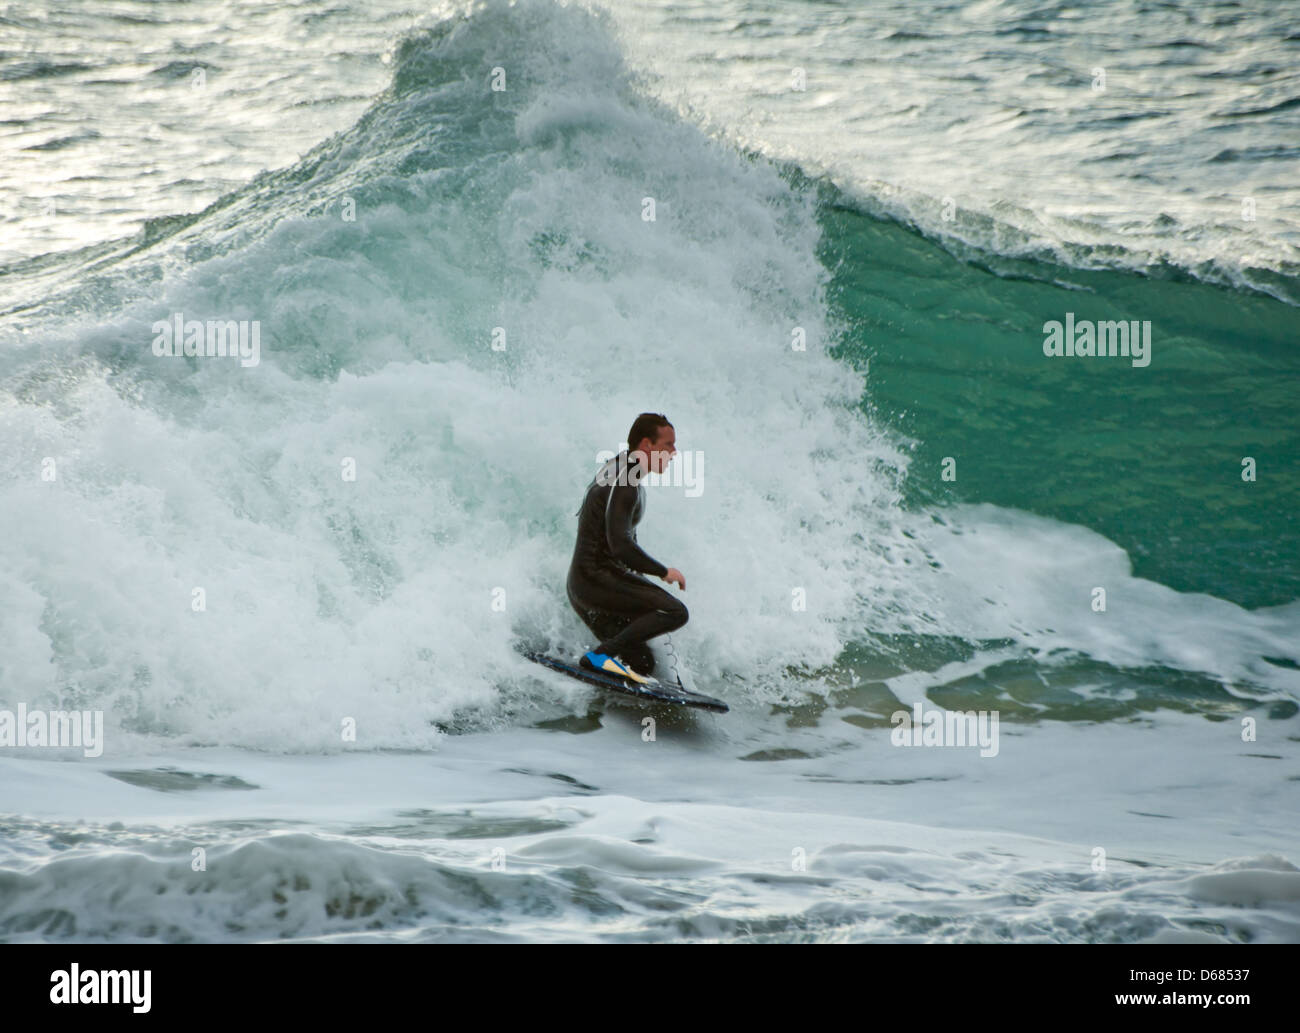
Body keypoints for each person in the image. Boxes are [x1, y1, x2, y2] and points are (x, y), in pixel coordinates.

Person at [567, 413, 688, 684]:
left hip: (584, 587)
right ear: (647, 445)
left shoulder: (619, 468)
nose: (674, 453)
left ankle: (603, 663)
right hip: (596, 580)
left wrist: (643, 588)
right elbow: (620, 545)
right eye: (668, 445)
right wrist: (662, 572)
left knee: (642, 662)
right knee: (675, 612)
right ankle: (598, 657)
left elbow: (618, 543)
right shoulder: (627, 481)